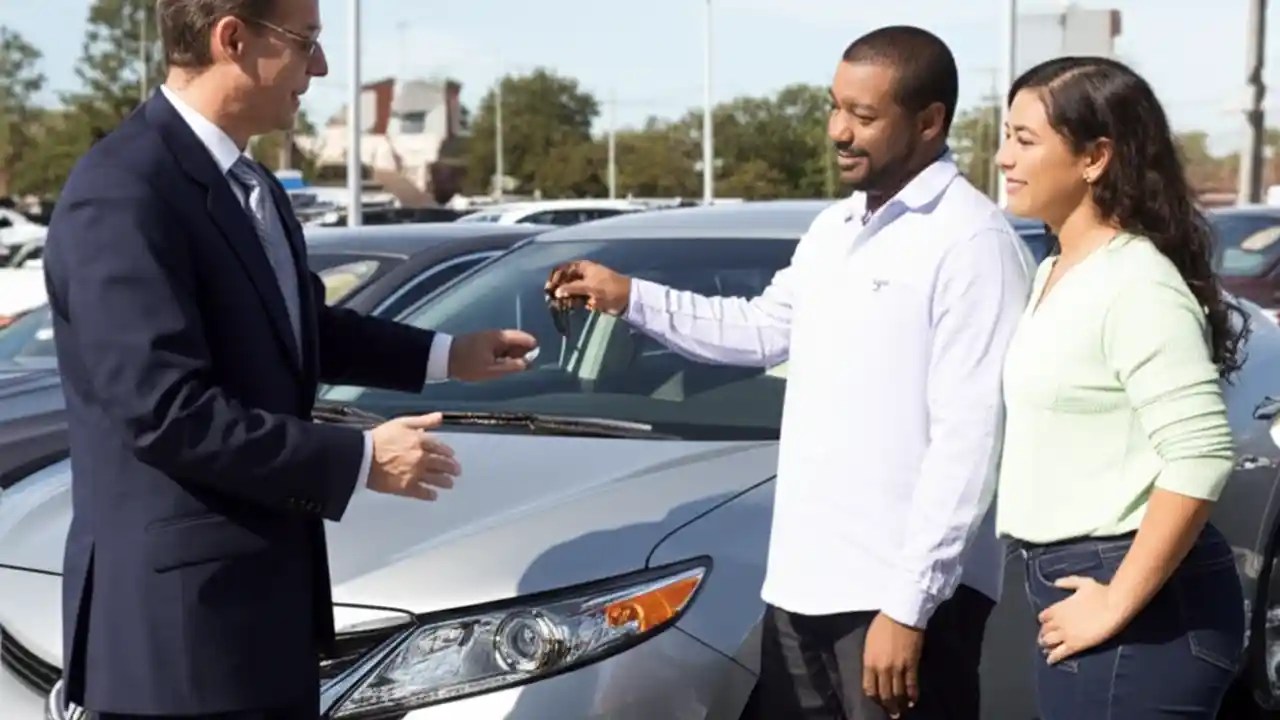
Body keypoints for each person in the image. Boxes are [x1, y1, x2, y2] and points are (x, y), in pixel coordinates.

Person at [43, 1, 537, 718]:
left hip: (253, 620)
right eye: (305, 43)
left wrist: (446, 353)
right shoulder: (124, 191)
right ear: (232, 39)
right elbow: (167, 413)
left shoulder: (255, 187)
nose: (322, 68)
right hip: (179, 641)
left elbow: (299, 328)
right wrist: (361, 460)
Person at [545, 26, 1034, 720]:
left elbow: (971, 445)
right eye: (835, 107)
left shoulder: (972, 242)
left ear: (929, 122)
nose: (839, 130)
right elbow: (761, 329)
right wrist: (630, 297)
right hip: (803, 586)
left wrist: (910, 605)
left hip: (898, 602)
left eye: (864, 117)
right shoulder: (835, 230)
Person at [994, 55, 1250, 719]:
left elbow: (1200, 452)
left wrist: (1115, 599)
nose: (1003, 157)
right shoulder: (1059, 268)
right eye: (1006, 136)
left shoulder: (1134, 282)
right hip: (1086, 586)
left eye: (1026, 140)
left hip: (1138, 606)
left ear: (1095, 157)